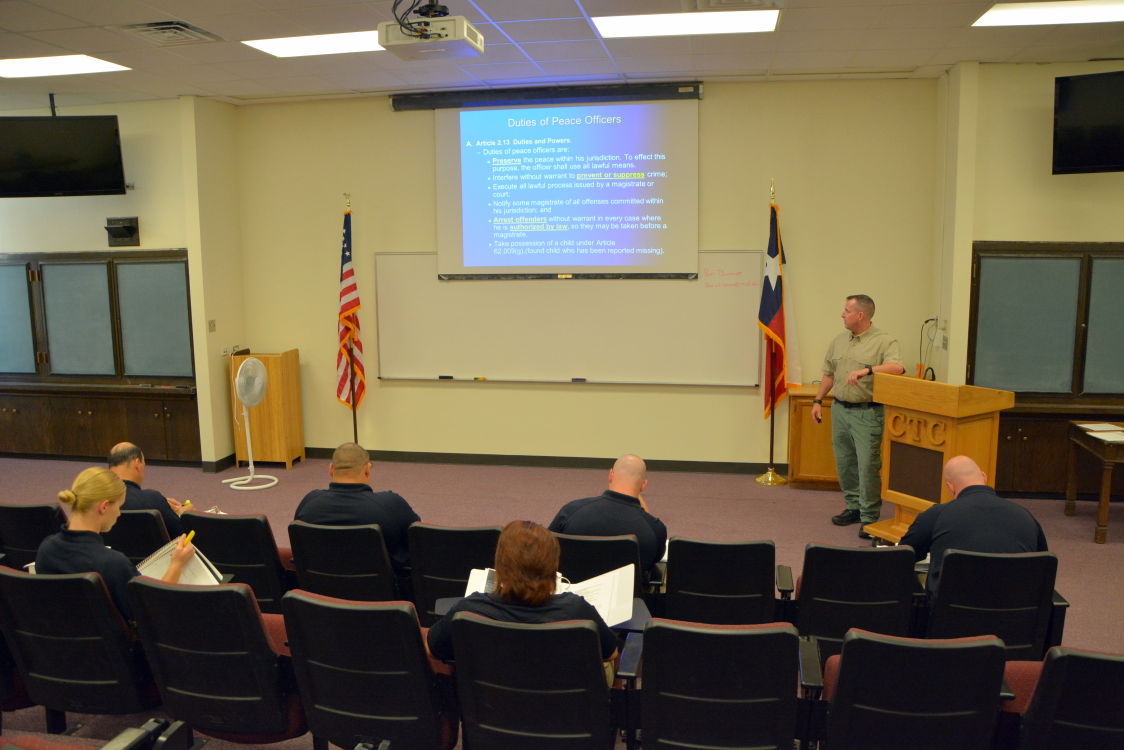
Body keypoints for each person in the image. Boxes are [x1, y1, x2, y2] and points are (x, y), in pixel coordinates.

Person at [426, 520, 619, 664]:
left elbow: (434, 648)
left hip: (489, 712)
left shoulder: (469, 610)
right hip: (564, 713)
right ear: (552, 567)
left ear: (499, 564)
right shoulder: (577, 611)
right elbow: (611, 654)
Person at [36, 467, 196, 621]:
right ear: (104, 506)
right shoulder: (112, 563)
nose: (119, 513)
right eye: (119, 506)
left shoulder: (46, 550)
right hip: (117, 647)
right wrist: (177, 564)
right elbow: (154, 608)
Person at [810, 295, 905, 538]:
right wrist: (818, 400)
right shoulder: (839, 341)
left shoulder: (884, 341)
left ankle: (869, 516)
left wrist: (868, 370)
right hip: (840, 410)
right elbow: (829, 374)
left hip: (867, 413)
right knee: (846, 464)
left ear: (860, 315)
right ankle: (853, 507)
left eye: (846, 311)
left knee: (867, 466)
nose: (842, 315)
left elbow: (897, 368)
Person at [900, 455, 1048, 594]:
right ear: (984, 477)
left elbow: (902, 557)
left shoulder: (935, 515)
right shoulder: (1025, 516)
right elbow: (1042, 566)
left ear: (950, 487)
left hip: (950, 616)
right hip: (1017, 614)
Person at [293, 442, 420, 591]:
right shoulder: (391, 504)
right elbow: (421, 539)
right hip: (381, 602)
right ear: (367, 469)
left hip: (321, 600)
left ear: (331, 469)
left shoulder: (309, 503)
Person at [548, 454, 667, 576]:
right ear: (643, 485)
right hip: (627, 593)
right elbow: (654, 561)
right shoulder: (654, 528)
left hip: (573, 590)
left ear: (611, 475)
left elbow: (547, 546)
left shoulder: (571, 511)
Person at [108, 442, 185, 538]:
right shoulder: (152, 499)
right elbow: (181, 535)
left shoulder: (95, 499)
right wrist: (184, 515)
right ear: (137, 464)